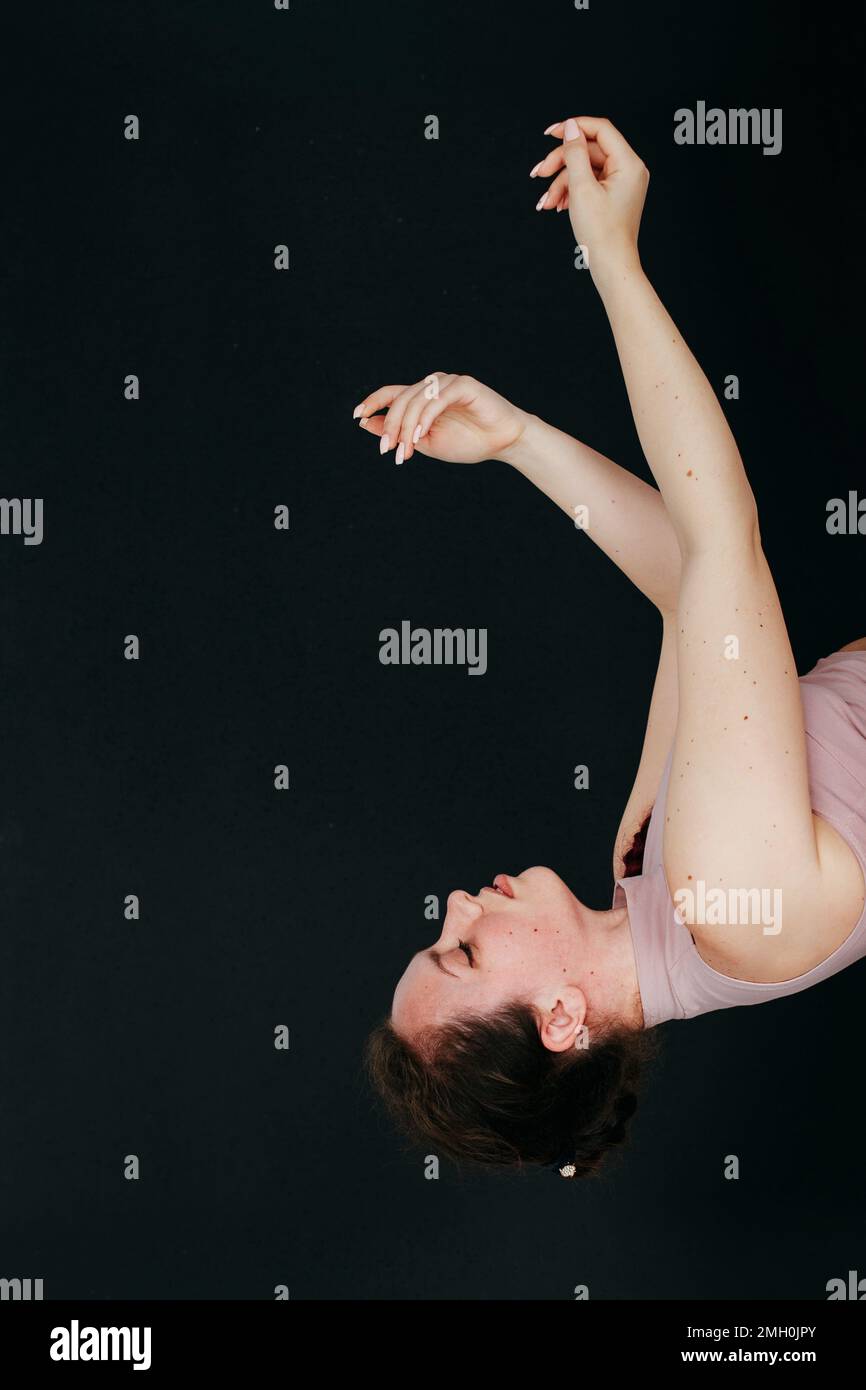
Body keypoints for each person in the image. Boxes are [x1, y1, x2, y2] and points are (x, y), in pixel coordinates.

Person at [358, 116, 866, 1178]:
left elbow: (692, 590)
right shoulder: (726, 903)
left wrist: (519, 441)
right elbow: (722, 532)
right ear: (556, 1020)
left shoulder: (652, 872)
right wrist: (611, 258)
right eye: (459, 950)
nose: (455, 903)